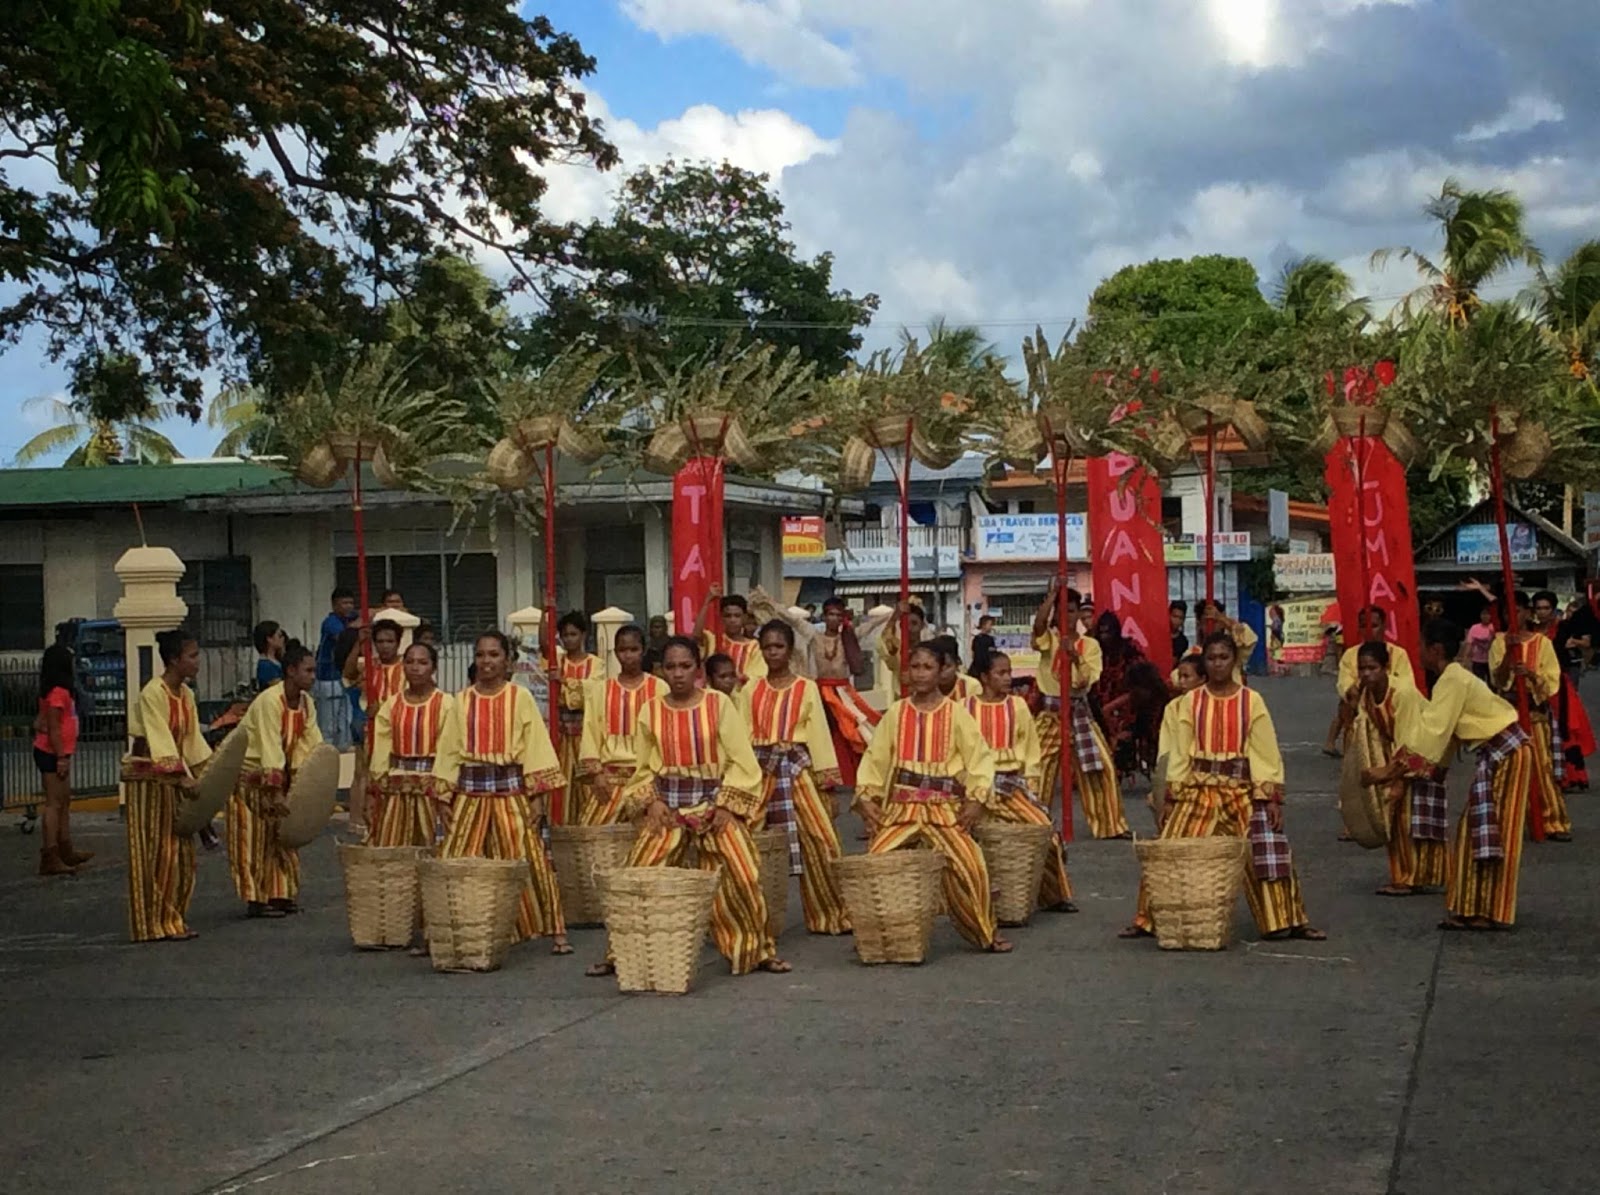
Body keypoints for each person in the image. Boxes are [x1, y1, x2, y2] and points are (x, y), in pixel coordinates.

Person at [586, 636, 790, 978]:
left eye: (685, 666)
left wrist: (727, 806)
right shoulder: (651, 709)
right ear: (661, 670)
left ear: (698, 668)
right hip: (668, 809)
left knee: (744, 873)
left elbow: (743, 761)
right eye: (671, 667)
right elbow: (643, 768)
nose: (678, 674)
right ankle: (620, 954)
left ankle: (755, 951)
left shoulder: (718, 705)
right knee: (638, 874)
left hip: (714, 807)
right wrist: (651, 802)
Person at [1123, 630, 1325, 941]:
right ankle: (1148, 919)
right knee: (1170, 849)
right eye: (1212, 658)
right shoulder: (1190, 702)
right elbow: (1179, 752)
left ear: (1234, 660)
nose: (1218, 664)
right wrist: (1170, 798)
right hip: (1198, 789)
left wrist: (1270, 798)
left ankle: (1287, 919)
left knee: (1267, 849)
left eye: (1224, 657)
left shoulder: (1251, 701)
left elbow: (1264, 751)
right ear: (1205, 662)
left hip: (1240, 790)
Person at [1371, 619, 1537, 931]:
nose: (1417, 652)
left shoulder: (1451, 680)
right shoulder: (1451, 679)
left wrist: (1395, 769)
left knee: (1490, 832)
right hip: (1502, 751)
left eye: (1421, 646)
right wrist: (1431, 772)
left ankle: (1486, 909)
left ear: (1435, 650)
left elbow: (1434, 733)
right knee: (1475, 831)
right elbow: (1444, 737)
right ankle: (1475, 907)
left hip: (1506, 753)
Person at [855, 643, 1013, 954]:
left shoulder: (956, 713)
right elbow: (875, 759)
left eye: (928, 667)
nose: (921, 674)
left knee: (972, 866)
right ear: (907, 672)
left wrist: (976, 799)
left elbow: (979, 758)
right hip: (902, 808)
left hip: (944, 810)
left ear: (941, 671)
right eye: (915, 667)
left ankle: (985, 931)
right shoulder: (896, 712)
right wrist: (866, 796)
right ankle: (879, 934)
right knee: (874, 862)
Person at [433, 631, 570, 953]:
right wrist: (443, 795)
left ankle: (554, 928)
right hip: (470, 791)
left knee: (530, 858)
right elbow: (449, 750)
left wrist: (537, 796)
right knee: (455, 859)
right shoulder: (461, 700)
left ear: (507, 660)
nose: (486, 662)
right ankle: (443, 931)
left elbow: (535, 744)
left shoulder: (518, 697)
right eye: (481, 655)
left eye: (494, 655)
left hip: (511, 791)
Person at [739, 620, 852, 935]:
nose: (772, 652)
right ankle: (748, 916)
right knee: (744, 838)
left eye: (778, 646)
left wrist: (826, 780)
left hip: (797, 768)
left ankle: (829, 914)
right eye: (767, 647)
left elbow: (817, 733)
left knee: (821, 838)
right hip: (760, 769)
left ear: (789, 650)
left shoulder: (806, 687)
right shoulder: (750, 689)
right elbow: (740, 734)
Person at [966, 651, 1075, 914]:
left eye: (1008, 672)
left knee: (1044, 831)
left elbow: (1030, 748)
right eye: (1000, 673)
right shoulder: (964, 708)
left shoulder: (1018, 705)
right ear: (983, 676)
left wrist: (1031, 783)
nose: (1007, 678)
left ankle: (1054, 894)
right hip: (976, 789)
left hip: (1012, 785)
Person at [122, 631, 210, 938]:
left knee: (181, 853)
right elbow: (160, 740)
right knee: (155, 852)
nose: (198, 661)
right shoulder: (153, 693)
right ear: (174, 660)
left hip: (173, 777)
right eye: (193, 656)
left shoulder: (186, 695)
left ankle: (173, 919)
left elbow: (193, 741)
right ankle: (152, 924)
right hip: (149, 778)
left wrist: (210, 773)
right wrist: (181, 775)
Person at [232, 642, 323, 918]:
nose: (313, 676)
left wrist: (308, 780)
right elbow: (270, 744)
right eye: (308, 671)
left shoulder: (307, 702)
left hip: (277, 775)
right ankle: (256, 899)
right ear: (291, 671)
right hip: (252, 776)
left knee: (282, 837)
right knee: (253, 838)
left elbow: (311, 744)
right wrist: (275, 789)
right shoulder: (270, 701)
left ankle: (280, 893)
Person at [1032, 581, 1128, 839]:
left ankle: (1110, 826)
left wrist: (1074, 657)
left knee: (1101, 767)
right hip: (1051, 714)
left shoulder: (1091, 646)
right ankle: (1033, 827)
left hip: (1079, 713)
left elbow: (1087, 680)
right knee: (1036, 770)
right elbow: (1038, 627)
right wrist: (1051, 595)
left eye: (1071, 611)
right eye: (1062, 611)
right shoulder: (1049, 639)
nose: (1067, 616)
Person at [1351, 641, 1447, 897]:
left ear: (1386, 668)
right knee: (1395, 816)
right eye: (1362, 668)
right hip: (1397, 752)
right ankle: (1405, 874)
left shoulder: (1402, 692)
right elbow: (1366, 732)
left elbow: (1408, 739)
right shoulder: (1366, 694)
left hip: (1420, 749)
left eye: (1372, 668)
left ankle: (1411, 877)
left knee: (1408, 817)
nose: (1366, 674)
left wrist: (1396, 779)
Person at [1488, 592, 1573, 842]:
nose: (1513, 616)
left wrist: (1531, 675)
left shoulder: (1542, 643)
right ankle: (1505, 823)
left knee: (1542, 768)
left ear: (1527, 612)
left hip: (1534, 715)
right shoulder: (1499, 642)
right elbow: (1498, 680)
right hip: (1508, 714)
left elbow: (1551, 681)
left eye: (1518, 611)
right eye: (1508, 612)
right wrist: (1508, 657)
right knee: (1506, 770)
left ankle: (1552, 821)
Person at [575, 625, 667, 824]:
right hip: (610, 778)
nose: (628, 656)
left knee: (655, 831)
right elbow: (591, 732)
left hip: (648, 779)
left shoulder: (659, 688)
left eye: (634, 650)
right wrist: (597, 774)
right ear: (615, 652)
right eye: (623, 650)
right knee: (592, 830)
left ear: (643, 650)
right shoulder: (601, 690)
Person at [369, 641, 455, 849]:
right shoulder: (392, 704)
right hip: (397, 793)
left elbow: (451, 750)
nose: (415, 668)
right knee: (394, 851)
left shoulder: (447, 704)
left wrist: (445, 792)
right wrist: (374, 790)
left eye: (423, 662)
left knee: (433, 850)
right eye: (410, 662)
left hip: (432, 791)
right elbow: (381, 751)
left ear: (433, 668)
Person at [1327, 606, 1415, 759]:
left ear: (1384, 626)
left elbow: (1407, 686)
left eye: (1374, 626)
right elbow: (1344, 684)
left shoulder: (1398, 654)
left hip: (1391, 722)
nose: (1369, 631)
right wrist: (1354, 691)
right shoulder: (1350, 654)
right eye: (1363, 626)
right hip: (1359, 720)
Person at [33, 644, 87, 876]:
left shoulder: (59, 691)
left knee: (64, 800)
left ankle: (65, 848)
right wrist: (61, 757)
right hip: (53, 752)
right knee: (54, 803)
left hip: (59, 750)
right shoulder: (58, 693)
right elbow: (54, 727)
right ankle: (50, 854)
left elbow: (41, 720)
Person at [1535, 589, 1595, 792]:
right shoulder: (1530, 630)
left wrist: (1574, 642)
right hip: (1535, 685)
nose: (1542, 612)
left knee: (1564, 729)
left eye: (1546, 608)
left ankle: (1571, 775)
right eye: (1539, 608)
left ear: (1553, 609)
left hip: (1558, 684)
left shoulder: (1564, 627)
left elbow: (1587, 640)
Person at [549, 610, 601, 825]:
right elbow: (544, 646)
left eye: (574, 634)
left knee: (587, 784)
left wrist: (564, 682)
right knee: (563, 785)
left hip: (586, 733)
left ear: (583, 635)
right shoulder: (557, 660)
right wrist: (547, 611)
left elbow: (594, 691)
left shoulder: (596, 664)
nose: (570, 639)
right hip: (561, 735)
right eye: (565, 635)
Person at [314, 587, 358, 749]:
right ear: (334, 605)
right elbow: (345, 639)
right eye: (344, 603)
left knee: (344, 723)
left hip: (342, 679)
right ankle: (326, 760)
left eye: (351, 603)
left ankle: (343, 759)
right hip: (327, 680)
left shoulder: (349, 620)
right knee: (328, 726)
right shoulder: (331, 623)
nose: (348, 606)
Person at [695, 587, 766, 685]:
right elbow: (696, 635)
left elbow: (756, 676)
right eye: (728, 616)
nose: (732, 620)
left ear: (745, 618)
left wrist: (730, 680)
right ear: (721, 618)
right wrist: (707, 602)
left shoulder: (755, 647)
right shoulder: (714, 639)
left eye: (737, 616)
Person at [877, 600, 930, 700]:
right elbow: (885, 642)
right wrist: (894, 617)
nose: (909, 628)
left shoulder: (931, 652)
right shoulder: (897, 651)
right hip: (902, 703)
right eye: (905, 624)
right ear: (901, 626)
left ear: (922, 625)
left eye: (914, 623)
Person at [929, 635, 982, 700]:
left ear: (957, 663)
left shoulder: (971, 685)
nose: (943, 673)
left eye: (948, 666)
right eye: (939, 666)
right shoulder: (924, 686)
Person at [253, 620, 286, 689]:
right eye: (279, 636)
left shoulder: (277, 660)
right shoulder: (265, 665)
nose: (282, 639)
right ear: (269, 639)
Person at [1466, 606, 1495, 681]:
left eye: (1488, 614)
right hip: (1477, 660)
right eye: (1483, 614)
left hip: (1491, 660)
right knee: (1479, 682)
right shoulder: (1474, 627)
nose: (1485, 616)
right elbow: (1469, 643)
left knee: (1492, 683)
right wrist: (1466, 656)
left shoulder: (1494, 628)